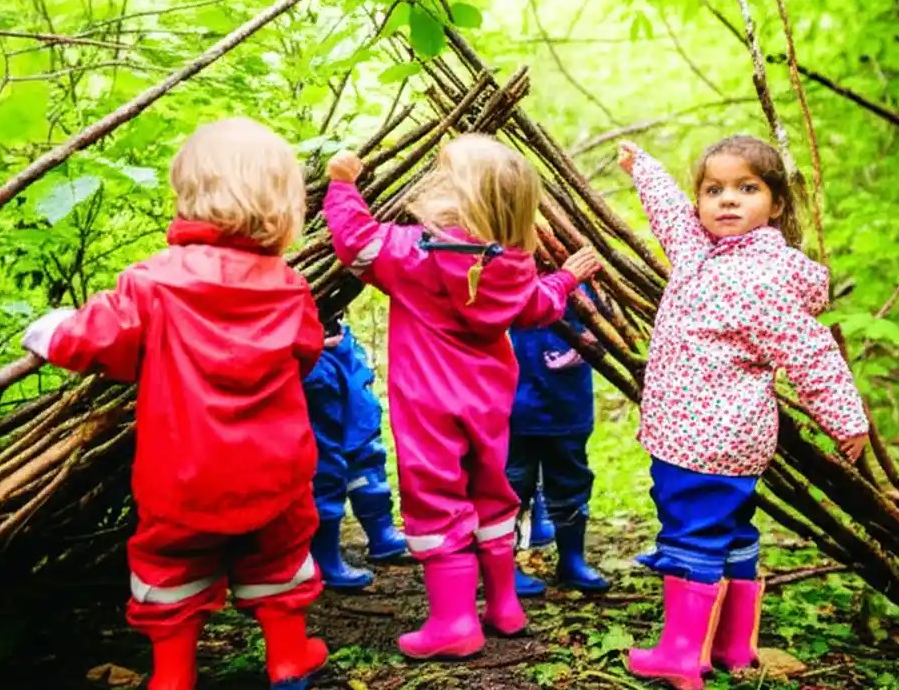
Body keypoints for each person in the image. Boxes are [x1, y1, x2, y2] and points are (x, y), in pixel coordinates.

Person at [20, 118, 329, 690]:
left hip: (181, 477)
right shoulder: (288, 285)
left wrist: (50, 330)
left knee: (170, 564)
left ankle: (173, 674)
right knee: (279, 553)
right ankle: (288, 655)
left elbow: (95, 338)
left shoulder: (152, 283)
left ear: (190, 195)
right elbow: (306, 352)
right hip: (275, 471)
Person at [320, 135, 601, 660]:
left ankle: (454, 621)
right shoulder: (514, 265)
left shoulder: (411, 253)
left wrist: (341, 185)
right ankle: (503, 605)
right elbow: (538, 306)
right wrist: (565, 278)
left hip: (427, 406)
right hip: (490, 400)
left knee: (436, 496)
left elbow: (354, 242)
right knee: (491, 488)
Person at [616, 136, 868, 690]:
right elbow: (670, 217)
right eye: (714, 190)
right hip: (711, 436)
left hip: (706, 437)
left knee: (690, 534)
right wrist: (645, 170)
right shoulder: (698, 250)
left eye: (746, 188)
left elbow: (810, 351)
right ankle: (733, 645)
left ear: (776, 204)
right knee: (730, 532)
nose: (727, 200)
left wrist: (846, 419)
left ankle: (682, 656)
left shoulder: (768, 276)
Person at [507, 283, 610, 597]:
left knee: (571, 480)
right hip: (514, 406)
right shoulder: (507, 272)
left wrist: (588, 345)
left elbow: (605, 325)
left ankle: (571, 559)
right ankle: (503, 564)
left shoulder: (582, 282)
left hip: (567, 407)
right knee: (511, 486)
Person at [303, 311, 407, 589]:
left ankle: (380, 531)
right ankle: (325, 557)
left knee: (364, 441)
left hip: (337, 342)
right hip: (306, 353)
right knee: (325, 460)